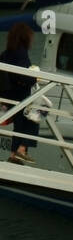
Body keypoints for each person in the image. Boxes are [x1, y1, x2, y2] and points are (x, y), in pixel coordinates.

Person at [1, 22, 38, 163]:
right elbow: (21, 76)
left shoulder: (6, 53)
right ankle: (21, 148)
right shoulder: (20, 53)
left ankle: (14, 153)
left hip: (6, 96)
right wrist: (34, 77)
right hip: (17, 95)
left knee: (22, 119)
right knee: (38, 112)